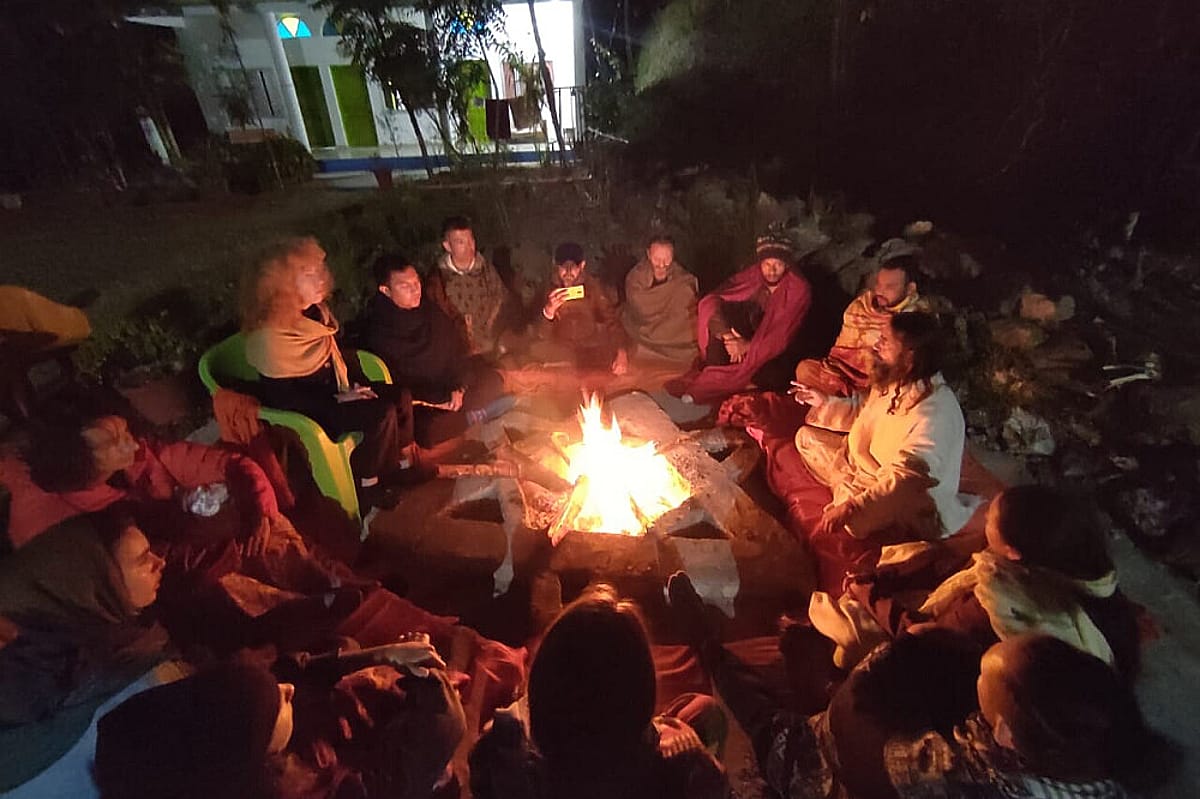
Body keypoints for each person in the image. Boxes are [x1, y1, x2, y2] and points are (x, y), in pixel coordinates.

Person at [668, 572, 1152, 799]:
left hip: (821, 768)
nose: (978, 665)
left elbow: (854, 732)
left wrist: (893, 654)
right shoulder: (1090, 747)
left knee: (763, 720)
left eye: (985, 672)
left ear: (1002, 731)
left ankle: (706, 643)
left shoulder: (943, 768)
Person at [96, 647, 464, 799]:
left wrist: (381, 653)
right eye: (281, 702)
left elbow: (290, 673)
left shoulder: (176, 734)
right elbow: (396, 782)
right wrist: (445, 716)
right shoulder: (296, 783)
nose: (288, 689)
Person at [469, 585, 728, 799]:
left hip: (559, 765)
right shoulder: (682, 770)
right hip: (635, 770)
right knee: (706, 713)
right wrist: (690, 751)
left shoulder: (504, 758)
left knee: (699, 709)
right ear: (640, 694)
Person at [241, 236, 420, 509]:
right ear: (284, 285)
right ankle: (368, 486)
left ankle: (403, 465)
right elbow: (283, 399)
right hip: (309, 409)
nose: (321, 280)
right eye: (309, 275)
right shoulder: (271, 336)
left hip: (336, 390)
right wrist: (338, 398)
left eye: (319, 271)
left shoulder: (314, 314)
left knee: (400, 395)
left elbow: (334, 359)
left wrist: (352, 386)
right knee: (379, 414)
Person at [0, 512, 170, 790]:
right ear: (102, 579)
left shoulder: (79, 634)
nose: (160, 563)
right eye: (143, 560)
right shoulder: (40, 657)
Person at [792, 311, 976, 543]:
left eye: (885, 341)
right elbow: (864, 413)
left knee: (851, 522)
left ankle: (850, 494)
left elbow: (907, 479)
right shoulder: (895, 378)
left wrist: (854, 506)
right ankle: (845, 485)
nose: (876, 345)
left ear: (909, 357)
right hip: (862, 466)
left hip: (901, 495)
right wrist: (823, 402)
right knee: (805, 438)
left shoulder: (935, 412)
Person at [1, 409, 285, 552]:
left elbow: (234, 466)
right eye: (114, 441)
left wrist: (259, 510)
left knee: (272, 530)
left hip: (190, 547)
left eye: (124, 431)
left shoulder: (144, 459)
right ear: (76, 458)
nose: (132, 444)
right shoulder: (73, 525)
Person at [365, 253, 515, 446]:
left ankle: (472, 413)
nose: (415, 290)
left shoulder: (430, 312)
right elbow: (398, 386)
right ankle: (477, 415)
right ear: (385, 290)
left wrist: (458, 387)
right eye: (405, 286)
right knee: (426, 432)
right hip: (425, 402)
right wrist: (440, 399)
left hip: (453, 388)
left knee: (493, 380)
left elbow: (456, 352)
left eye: (416, 283)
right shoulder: (379, 332)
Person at [682, 232, 812, 404]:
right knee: (718, 342)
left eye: (778, 264)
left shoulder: (798, 288)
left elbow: (781, 336)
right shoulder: (753, 276)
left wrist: (747, 347)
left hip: (778, 351)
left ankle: (734, 383)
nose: (771, 270)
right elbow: (712, 301)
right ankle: (733, 380)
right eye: (767, 264)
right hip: (744, 339)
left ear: (786, 265)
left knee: (772, 377)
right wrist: (729, 337)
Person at [793, 239, 927, 397]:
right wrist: (835, 373)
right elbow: (841, 349)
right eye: (879, 284)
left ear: (910, 289)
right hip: (839, 374)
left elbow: (897, 368)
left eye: (889, 286)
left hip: (871, 385)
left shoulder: (913, 320)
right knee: (805, 369)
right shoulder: (863, 305)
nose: (880, 291)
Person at [426, 215, 519, 359]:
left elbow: (503, 303)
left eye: (471, 240)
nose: (469, 247)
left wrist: (496, 333)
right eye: (460, 242)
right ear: (447, 246)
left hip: (490, 349)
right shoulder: (437, 279)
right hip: (455, 353)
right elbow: (433, 320)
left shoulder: (487, 270)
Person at [531, 242, 630, 375]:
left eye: (573, 267)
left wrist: (621, 351)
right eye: (563, 267)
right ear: (556, 266)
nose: (568, 272)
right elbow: (541, 334)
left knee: (622, 355)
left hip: (591, 346)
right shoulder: (548, 288)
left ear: (582, 265)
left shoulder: (593, 287)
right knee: (533, 354)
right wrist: (549, 311)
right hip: (561, 348)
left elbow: (611, 320)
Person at [621, 235, 699, 363]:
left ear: (673, 257)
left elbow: (686, 313)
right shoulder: (635, 277)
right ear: (648, 255)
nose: (662, 265)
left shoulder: (684, 281)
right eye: (657, 259)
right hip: (641, 334)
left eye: (667, 259)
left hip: (676, 340)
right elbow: (638, 308)